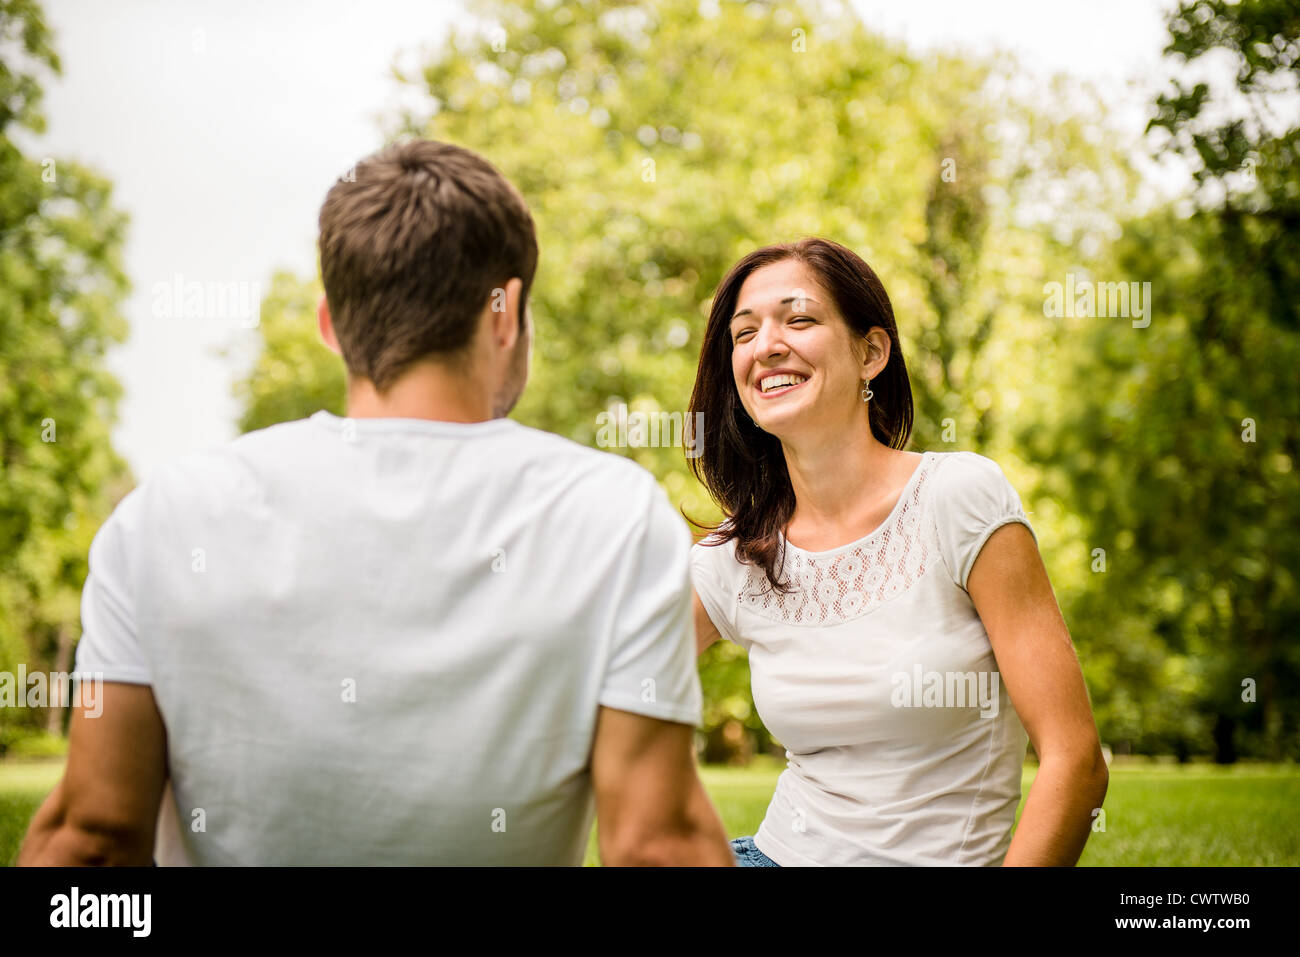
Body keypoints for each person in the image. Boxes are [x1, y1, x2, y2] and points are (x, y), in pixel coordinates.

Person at [19, 139, 733, 867]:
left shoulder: (163, 514)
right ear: (506, 311)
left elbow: (94, 839)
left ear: (330, 322)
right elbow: (656, 846)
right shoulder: (613, 515)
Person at [688, 238, 1108, 866]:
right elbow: (596, 687)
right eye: (743, 334)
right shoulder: (736, 555)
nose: (766, 345)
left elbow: (1076, 759)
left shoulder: (959, 498)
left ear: (872, 352)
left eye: (798, 319)